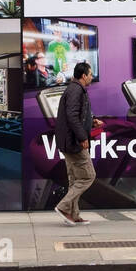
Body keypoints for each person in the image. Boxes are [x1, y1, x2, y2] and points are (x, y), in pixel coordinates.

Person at [53, 61, 103, 226]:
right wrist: (83, 138)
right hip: (73, 142)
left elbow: (79, 115)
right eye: (90, 74)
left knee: (75, 179)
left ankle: (73, 215)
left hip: (69, 141)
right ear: (83, 75)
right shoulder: (75, 90)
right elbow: (72, 117)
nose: (91, 77)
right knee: (89, 175)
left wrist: (92, 121)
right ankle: (64, 207)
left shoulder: (76, 89)